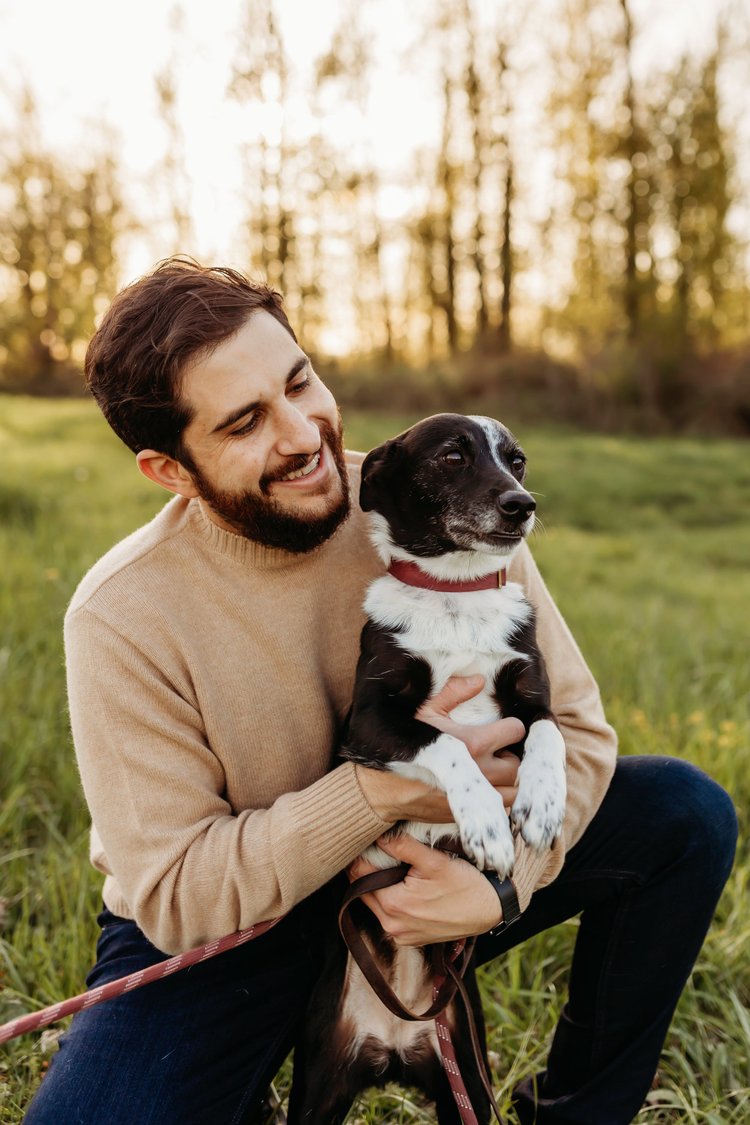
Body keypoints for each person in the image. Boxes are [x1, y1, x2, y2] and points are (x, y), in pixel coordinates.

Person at [25, 258, 736, 1125]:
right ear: (170, 469)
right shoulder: (121, 613)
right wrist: (376, 792)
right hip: (235, 928)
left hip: (442, 864)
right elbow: (177, 893)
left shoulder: (441, 500)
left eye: (299, 381)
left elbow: (579, 733)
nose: (302, 433)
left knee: (683, 812)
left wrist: (505, 887)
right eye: (246, 421)